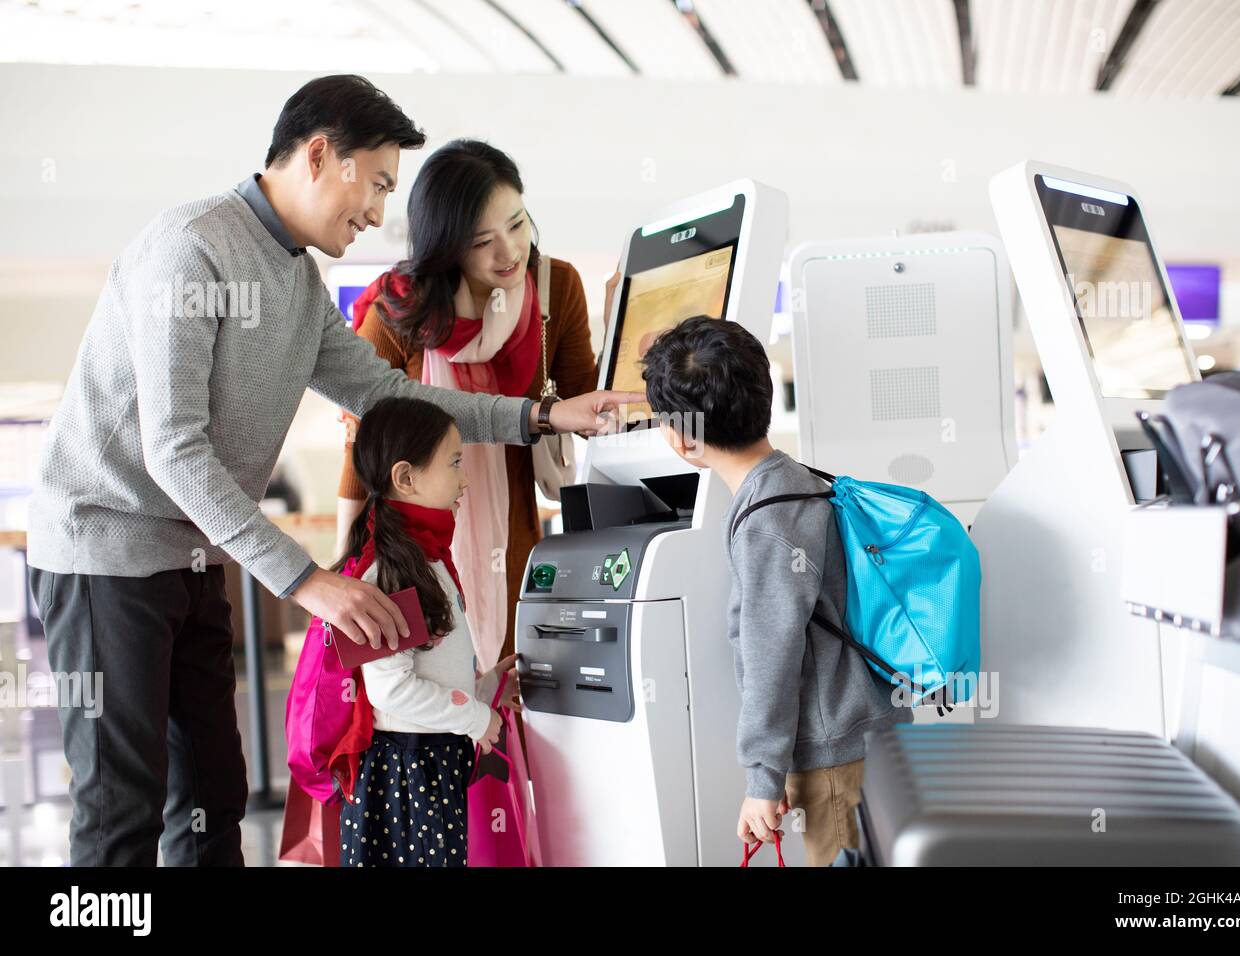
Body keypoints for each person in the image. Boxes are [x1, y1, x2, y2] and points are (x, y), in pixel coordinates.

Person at [25, 73, 639, 866]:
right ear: (320, 156)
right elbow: (172, 447)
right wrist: (309, 581)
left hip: (194, 558)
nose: (381, 212)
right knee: (121, 813)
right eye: (377, 184)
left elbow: (392, 395)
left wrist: (542, 416)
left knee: (212, 796)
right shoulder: (190, 248)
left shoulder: (296, 282)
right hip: (106, 556)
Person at [639, 315, 911, 867]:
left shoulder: (767, 519)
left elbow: (771, 655)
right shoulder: (796, 481)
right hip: (863, 735)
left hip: (836, 754)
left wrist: (762, 779)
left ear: (681, 436)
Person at [337, 139, 607, 670]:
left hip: (518, 543)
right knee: (426, 705)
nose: (509, 252)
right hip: (408, 555)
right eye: (482, 241)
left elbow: (590, 404)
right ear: (446, 247)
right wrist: (343, 573)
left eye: (517, 223)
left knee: (514, 695)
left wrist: (627, 331)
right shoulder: (399, 311)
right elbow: (359, 444)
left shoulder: (555, 289)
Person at [333, 396, 517, 867]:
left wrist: (488, 685)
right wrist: (477, 719)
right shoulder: (388, 574)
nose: (466, 477)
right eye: (455, 462)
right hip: (406, 773)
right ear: (406, 477)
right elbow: (391, 691)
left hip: (429, 760)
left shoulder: (428, 559)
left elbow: (431, 675)